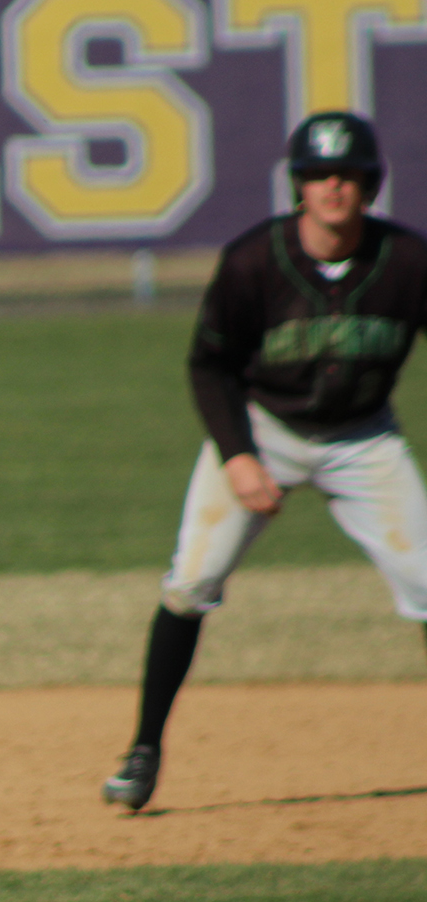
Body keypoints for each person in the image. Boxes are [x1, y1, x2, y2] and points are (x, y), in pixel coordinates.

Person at [103, 111, 427, 812]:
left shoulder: (406, 261)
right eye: (317, 175)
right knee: (191, 584)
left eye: (346, 174)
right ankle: (144, 750)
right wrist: (241, 459)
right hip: (264, 428)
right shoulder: (255, 261)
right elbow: (208, 365)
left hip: (363, 438)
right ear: (298, 186)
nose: (332, 188)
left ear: (370, 184)